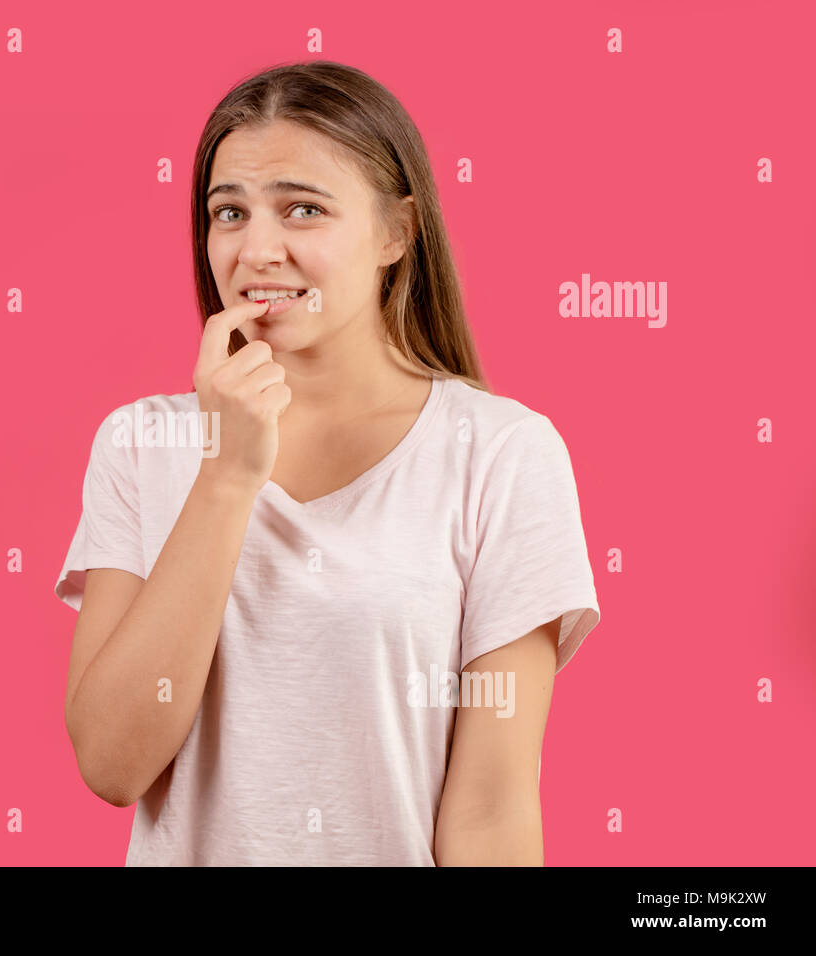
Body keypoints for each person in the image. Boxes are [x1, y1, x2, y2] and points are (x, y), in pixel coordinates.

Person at [54, 60, 601, 866]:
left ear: (396, 233)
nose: (257, 249)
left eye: (303, 209)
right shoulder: (141, 446)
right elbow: (111, 762)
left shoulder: (501, 454)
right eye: (228, 212)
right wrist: (228, 475)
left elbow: (492, 809)